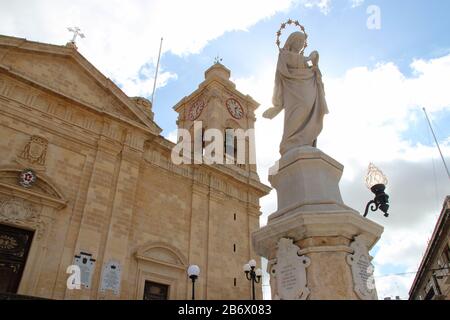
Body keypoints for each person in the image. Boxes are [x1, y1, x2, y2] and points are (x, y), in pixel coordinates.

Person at [263, 31, 329, 155]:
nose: (300, 44)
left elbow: (309, 68)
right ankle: (289, 142)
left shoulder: (302, 60)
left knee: (308, 110)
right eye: (298, 41)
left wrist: (314, 66)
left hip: (307, 88)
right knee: (297, 113)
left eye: (302, 43)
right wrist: (309, 58)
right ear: (292, 41)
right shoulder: (284, 54)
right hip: (292, 91)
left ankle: (306, 141)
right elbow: (286, 67)